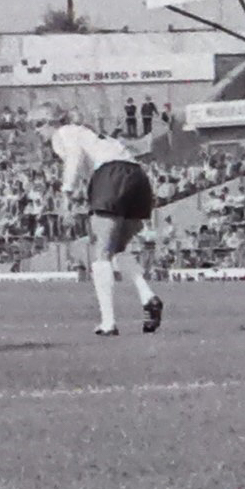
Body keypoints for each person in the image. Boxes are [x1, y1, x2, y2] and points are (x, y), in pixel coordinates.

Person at [33, 103, 162, 336]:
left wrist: (67, 194)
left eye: (38, 124)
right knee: (118, 248)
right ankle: (148, 297)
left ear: (52, 122)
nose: (36, 130)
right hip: (138, 178)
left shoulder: (64, 133)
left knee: (100, 251)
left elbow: (75, 157)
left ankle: (108, 322)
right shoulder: (88, 133)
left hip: (111, 175)